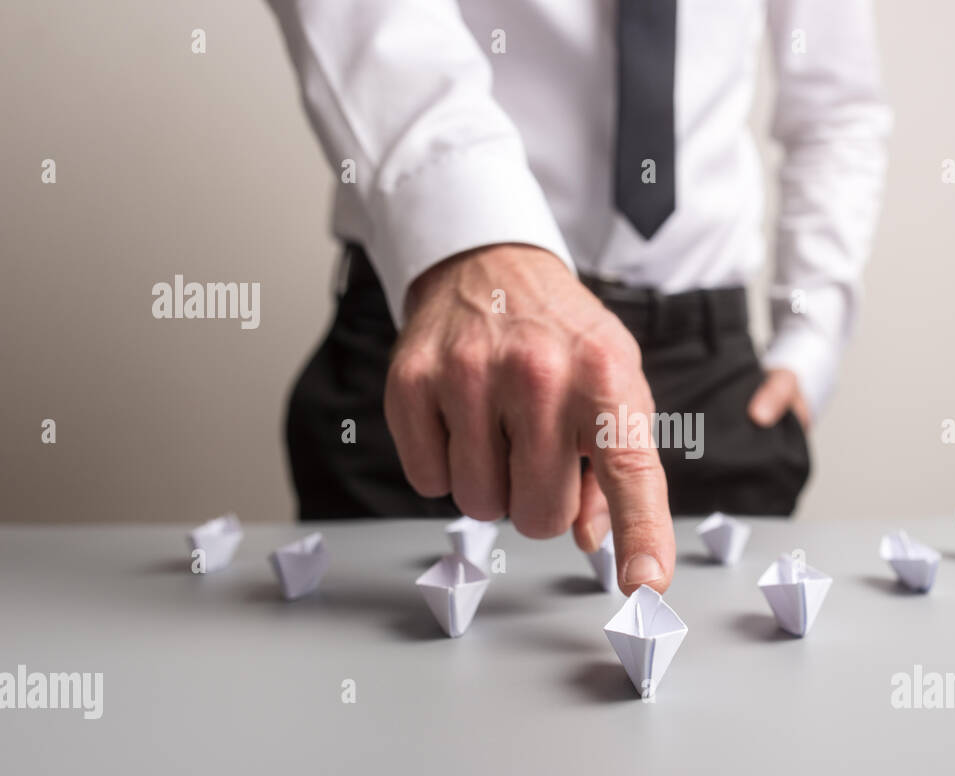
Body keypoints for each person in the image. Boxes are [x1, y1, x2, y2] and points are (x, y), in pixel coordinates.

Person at [267, 0, 890, 595]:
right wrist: (473, 237)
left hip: (704, 374)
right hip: (438, 342)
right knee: (381, 692)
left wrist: (812, 338)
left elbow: (836, 107)